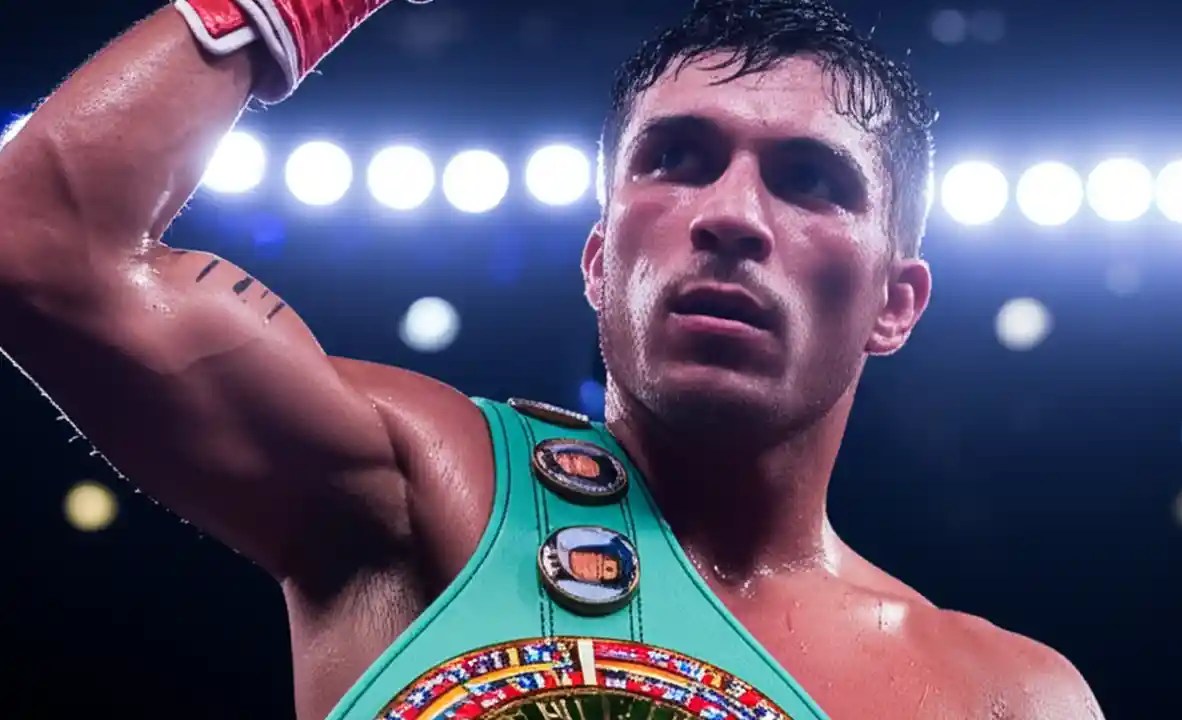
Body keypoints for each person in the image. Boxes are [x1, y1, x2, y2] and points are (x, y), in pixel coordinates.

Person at [0, 0, 1105, 717]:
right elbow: (39, 246)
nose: (728, 215)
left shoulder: (1006, 697)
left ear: (892, 302)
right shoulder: (423, 489)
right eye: (673, 160)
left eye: (809, 179)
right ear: (596, 257)